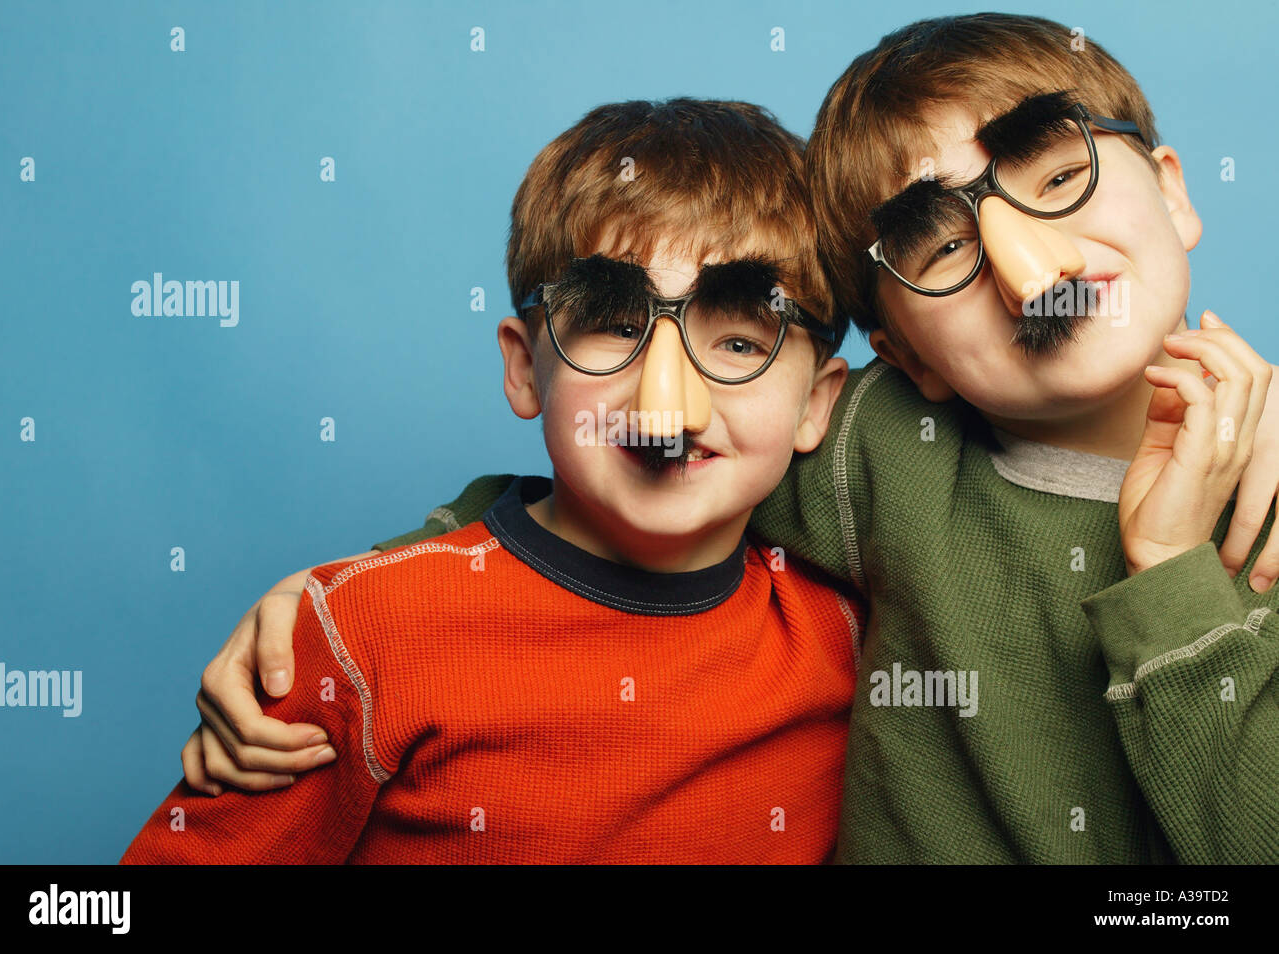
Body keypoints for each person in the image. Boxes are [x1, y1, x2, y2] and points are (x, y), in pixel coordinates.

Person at [185, 15, 1279, 864]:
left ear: (1174, 192)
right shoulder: (878, 456)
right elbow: (634, 471)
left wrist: (1177, 574)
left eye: (1055, 174)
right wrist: (351, 602)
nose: (1019, 265)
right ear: (901, 355)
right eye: (933, 242)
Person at [120, 98, 865, 864]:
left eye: (740, 343)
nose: (665, 407)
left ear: (816, 404)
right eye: (614, 329)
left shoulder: (850, 637)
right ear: (522, 368)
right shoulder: (367, 636)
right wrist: (332, 619)